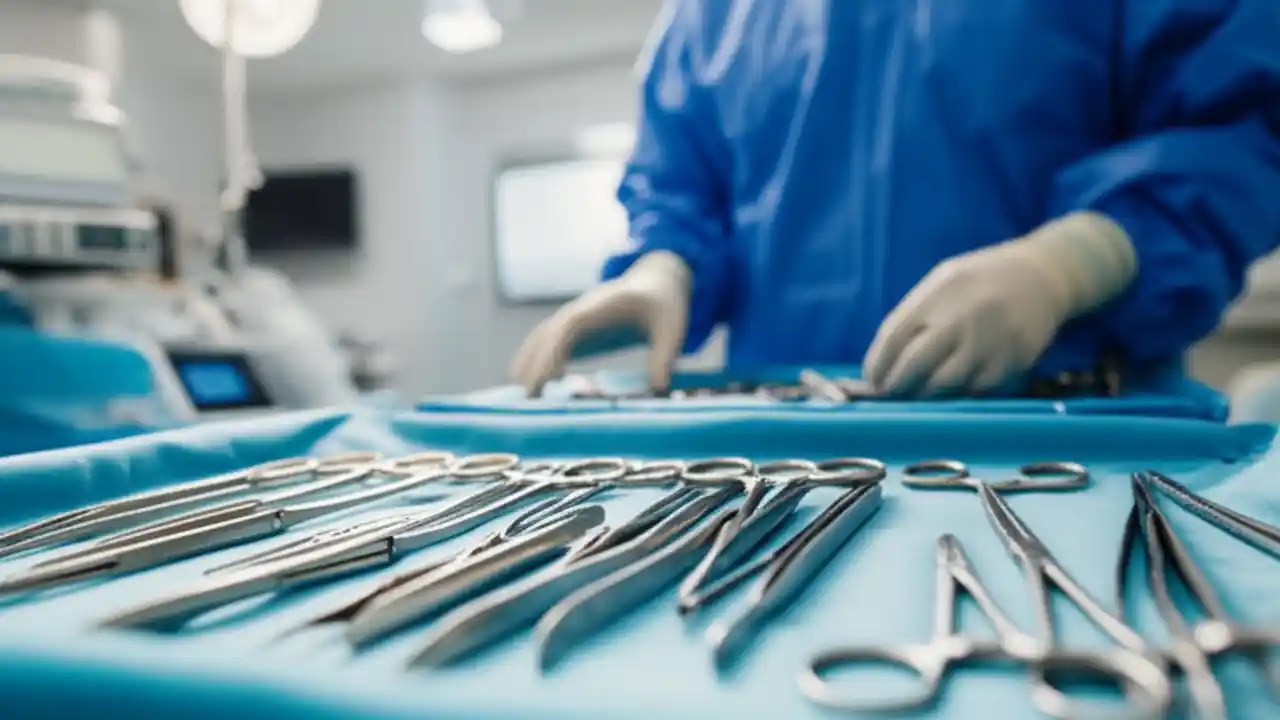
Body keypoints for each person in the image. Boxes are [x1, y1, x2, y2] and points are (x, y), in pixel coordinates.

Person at [512, 0, 1280, 397]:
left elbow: (1234, 129)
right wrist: (661, 271)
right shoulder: (712, 12)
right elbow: (682, 183)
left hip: (1075, 439)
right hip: (786, 458)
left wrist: (1070, 264)